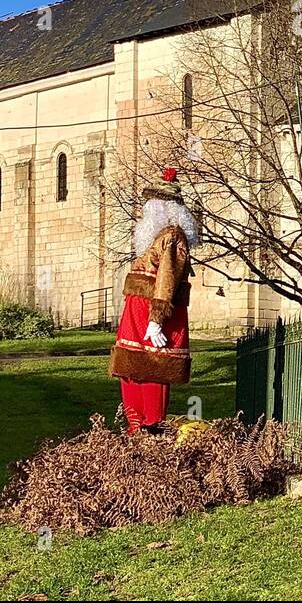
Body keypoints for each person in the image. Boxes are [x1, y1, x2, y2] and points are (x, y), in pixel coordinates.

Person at [109, 168, 197, 433]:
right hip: (138, 313)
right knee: (130, 369)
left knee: (153, 370)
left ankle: (151, 428)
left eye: (152, 204)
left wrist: (156, 321)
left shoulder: (172, 236)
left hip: (153, 314)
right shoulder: (157, 237)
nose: (147, 210)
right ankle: (135, 428)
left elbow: (166, 281)